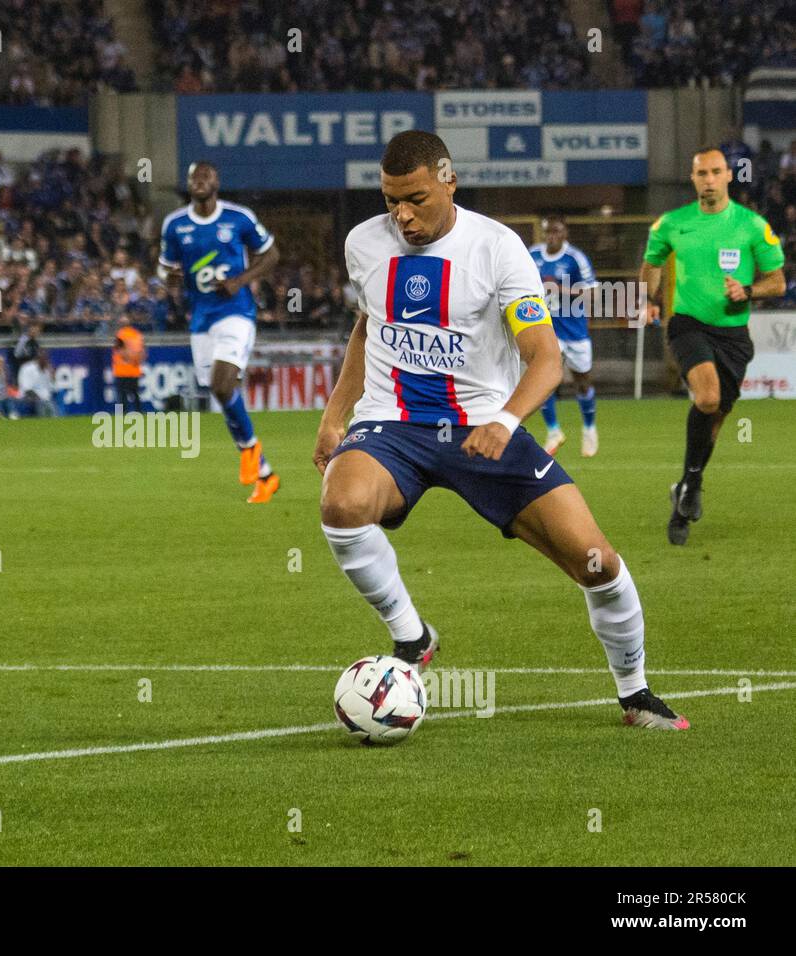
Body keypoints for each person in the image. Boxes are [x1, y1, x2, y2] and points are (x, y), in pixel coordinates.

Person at [316, 130, 687, 731]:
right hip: (392, 424)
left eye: (415, 198)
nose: (402, 215)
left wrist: (506, 420)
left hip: (481, 426)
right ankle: (412, 639)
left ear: (448, 179)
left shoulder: (498, 248)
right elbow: (367, 327)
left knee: (597, 562)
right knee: (341, 501)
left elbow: (545, 357)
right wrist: (335, 418)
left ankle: (636, 692)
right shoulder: (364, 243)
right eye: (391, 201)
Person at [640, 147, 786, 546]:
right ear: (693, 178)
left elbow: (778, 281)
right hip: (687, 325)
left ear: (727, 176)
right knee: (707, 399)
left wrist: (749, 290)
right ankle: (691, 485)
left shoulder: (752, 226)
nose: (708, 179)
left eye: (715, 172)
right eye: (701, 172)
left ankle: (687, 488)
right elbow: (652, 263)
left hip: (734, 336)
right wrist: (649, 299)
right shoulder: (672, 223)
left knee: (716, 418)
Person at [159, 160, 281, 503]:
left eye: (206, 175)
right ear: (188, 184)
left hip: (236, 312)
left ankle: (248, 453)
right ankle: (264, 471)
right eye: (195, 176)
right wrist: (169, 279)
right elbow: (165, 269)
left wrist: (240, 281)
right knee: (221, 393)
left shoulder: (238, 218)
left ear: (216, 181)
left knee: (221, 383)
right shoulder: (174, 225)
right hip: (200, 319)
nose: (200, 180)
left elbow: (271, 253)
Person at [529, 216, 600, 456]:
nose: (552, 236)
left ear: (565, 234)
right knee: (544, 381)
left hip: (575, 330)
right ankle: (553, 430)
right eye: (548, 232)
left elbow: (592, 295)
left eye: (557, 232)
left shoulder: (575, 259)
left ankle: (589, 428)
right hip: (547, 329)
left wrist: (560, 290)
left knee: (582, 381)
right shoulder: (533, 255)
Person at [112, 316, 145, 412]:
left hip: (121, 370)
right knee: (135, 394)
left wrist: (128, 359)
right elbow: (142, 352)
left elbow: (119, 351)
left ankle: (120, 414)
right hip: (134, 370)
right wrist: (136, 361)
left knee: (121, 395)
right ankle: (139, 412)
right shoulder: (137, 335)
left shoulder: (120, 335)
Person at [18, 349, 57, 417]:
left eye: (46, 359)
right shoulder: (28, 368)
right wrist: (38, 398)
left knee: (51, 406)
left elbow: (53, 389)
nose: (45, 361)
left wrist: (53, 377)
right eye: (43, 359)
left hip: (45, 399)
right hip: (29, 397)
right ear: (38, 359)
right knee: (41, 404)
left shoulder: (47, 370)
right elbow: (26, 388)